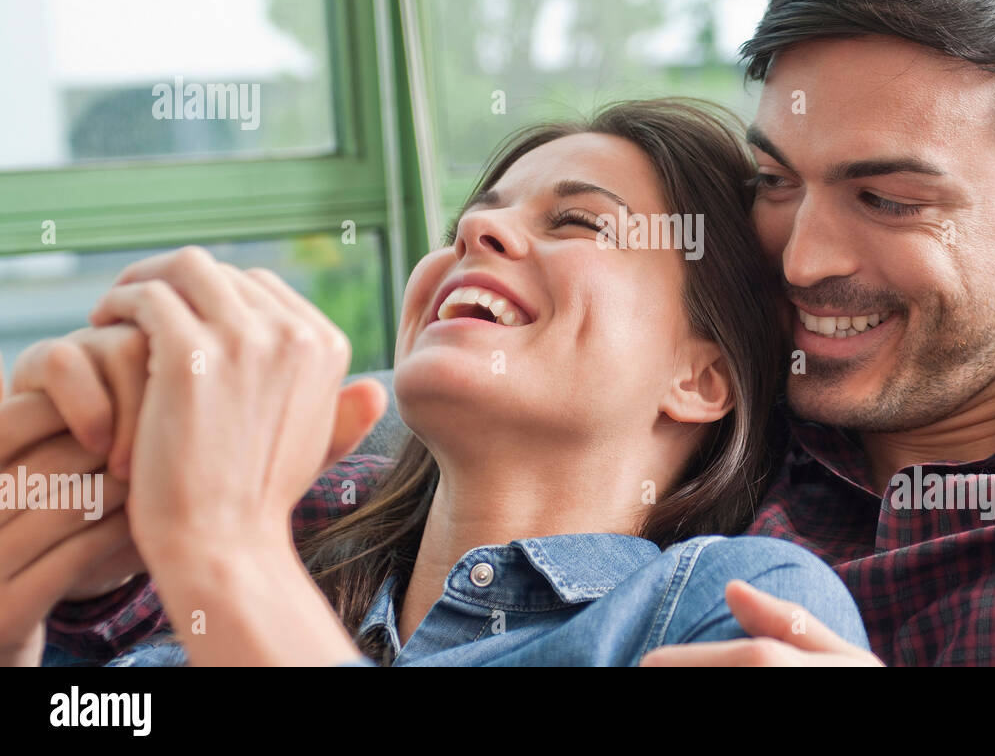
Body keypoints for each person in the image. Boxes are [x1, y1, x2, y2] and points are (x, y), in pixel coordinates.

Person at [23, 0, 995, 666]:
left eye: (886, 197)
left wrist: (217, 544)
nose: (801, 256)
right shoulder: (598, 468)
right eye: (776, 181)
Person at [2, 99, 869, 666]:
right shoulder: (203, 612)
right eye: (471, 219)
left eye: (577, 221)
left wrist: (225, 546)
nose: (475, 235)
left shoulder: (737, 601)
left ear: (702, 377)